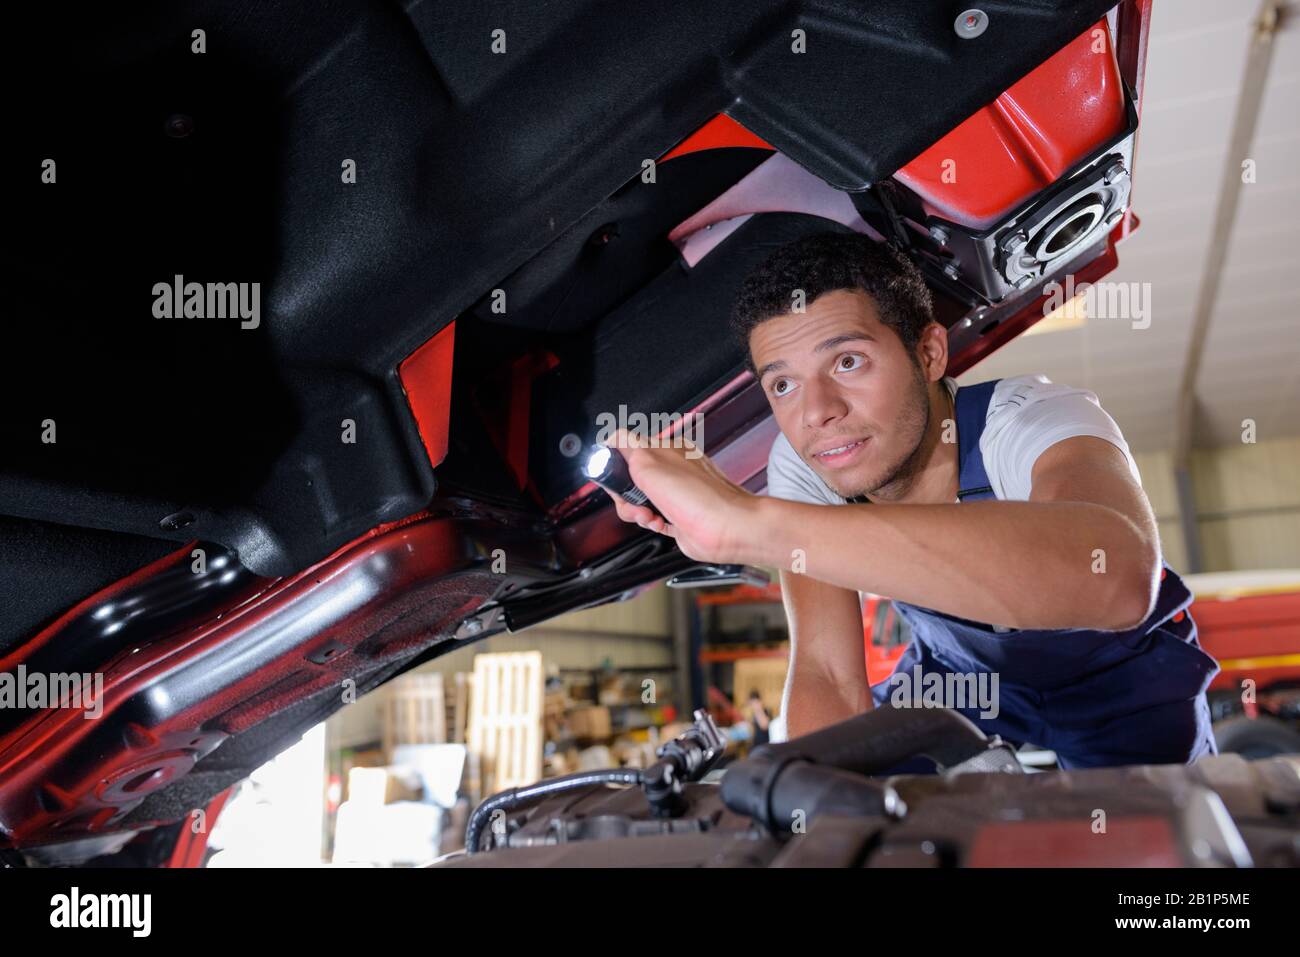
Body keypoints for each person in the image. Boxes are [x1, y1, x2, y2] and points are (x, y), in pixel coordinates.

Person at [603, 231, 1218, 769]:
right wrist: (813, 813)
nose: (817, 412)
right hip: (958, 680)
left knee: (1167, 850)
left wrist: (752, 527)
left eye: (847, 361)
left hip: (1117, 682)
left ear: (928, 353)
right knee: (862, 781)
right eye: (784, 384)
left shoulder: (1034, 420)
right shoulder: (807, 466)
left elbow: (1114, 576)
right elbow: (827, 670)